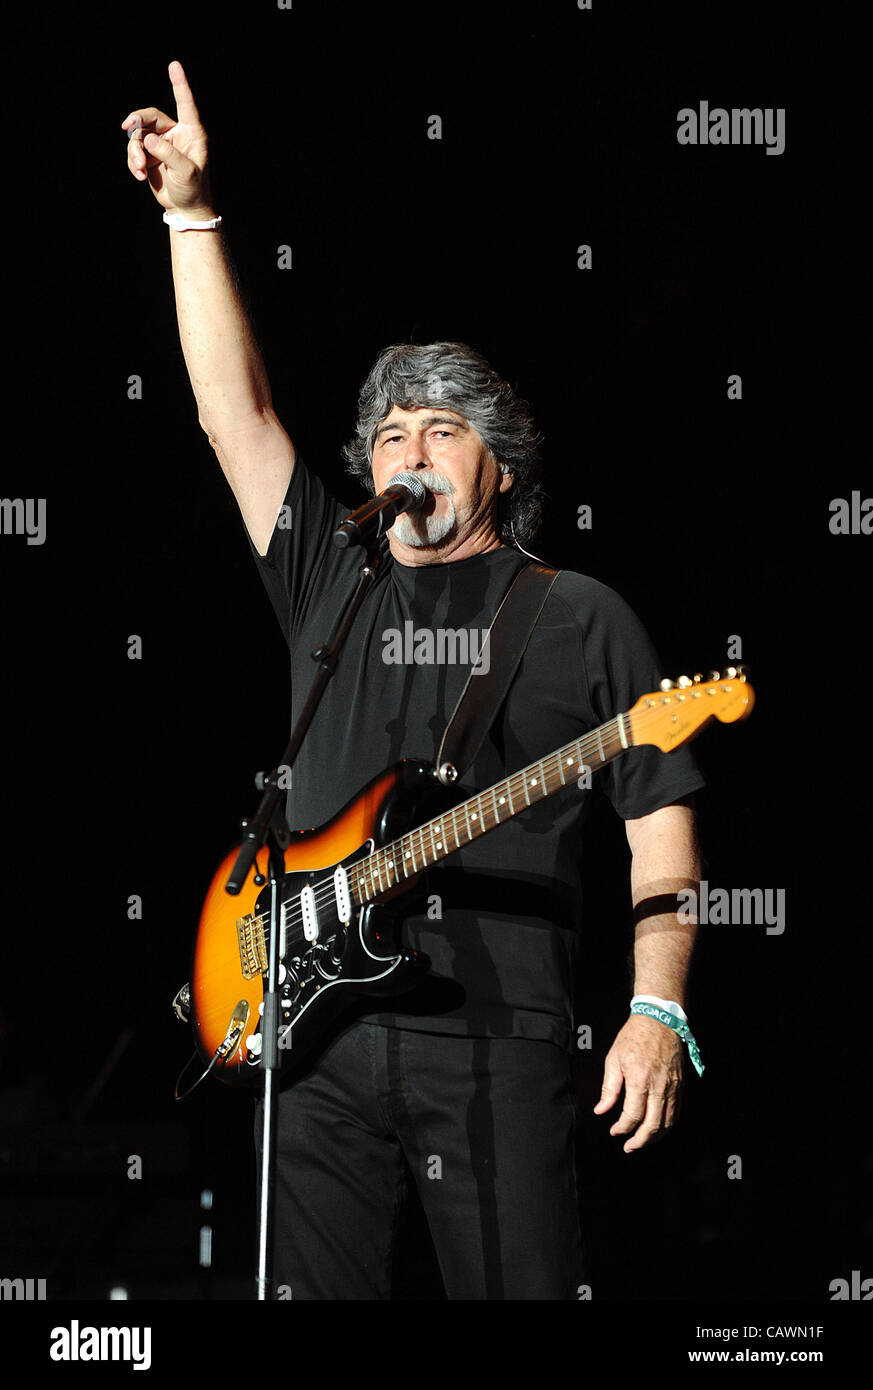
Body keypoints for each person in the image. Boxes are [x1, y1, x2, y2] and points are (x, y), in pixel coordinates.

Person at [123, 61, 705, 1300]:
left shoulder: (582, 615)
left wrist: (656, 1010)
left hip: (496, 1033)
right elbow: (236, 413)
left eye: (442, 428)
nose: (409, 447)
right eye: (390, 431)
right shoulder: (332, 579)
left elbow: (662, 837)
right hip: (313, 1035)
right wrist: (190, 213)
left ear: (501, 466)